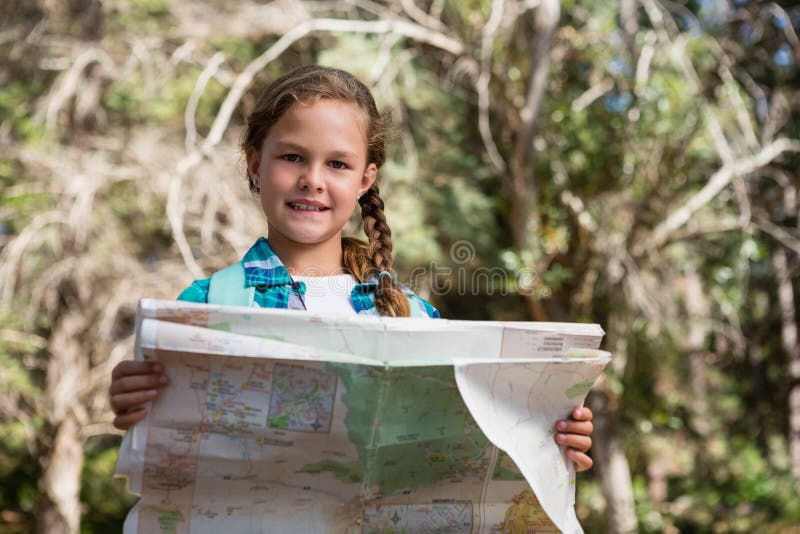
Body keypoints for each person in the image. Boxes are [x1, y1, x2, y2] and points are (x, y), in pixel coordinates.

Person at [108, 65, 595, 471]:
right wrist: (138, 404)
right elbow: (165, 455)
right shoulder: (204, 306)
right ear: (256, 165)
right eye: (292, 157)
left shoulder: (415, 318)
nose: (312, 180)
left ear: (365, 179)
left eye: (337, 165)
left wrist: (551, 439)